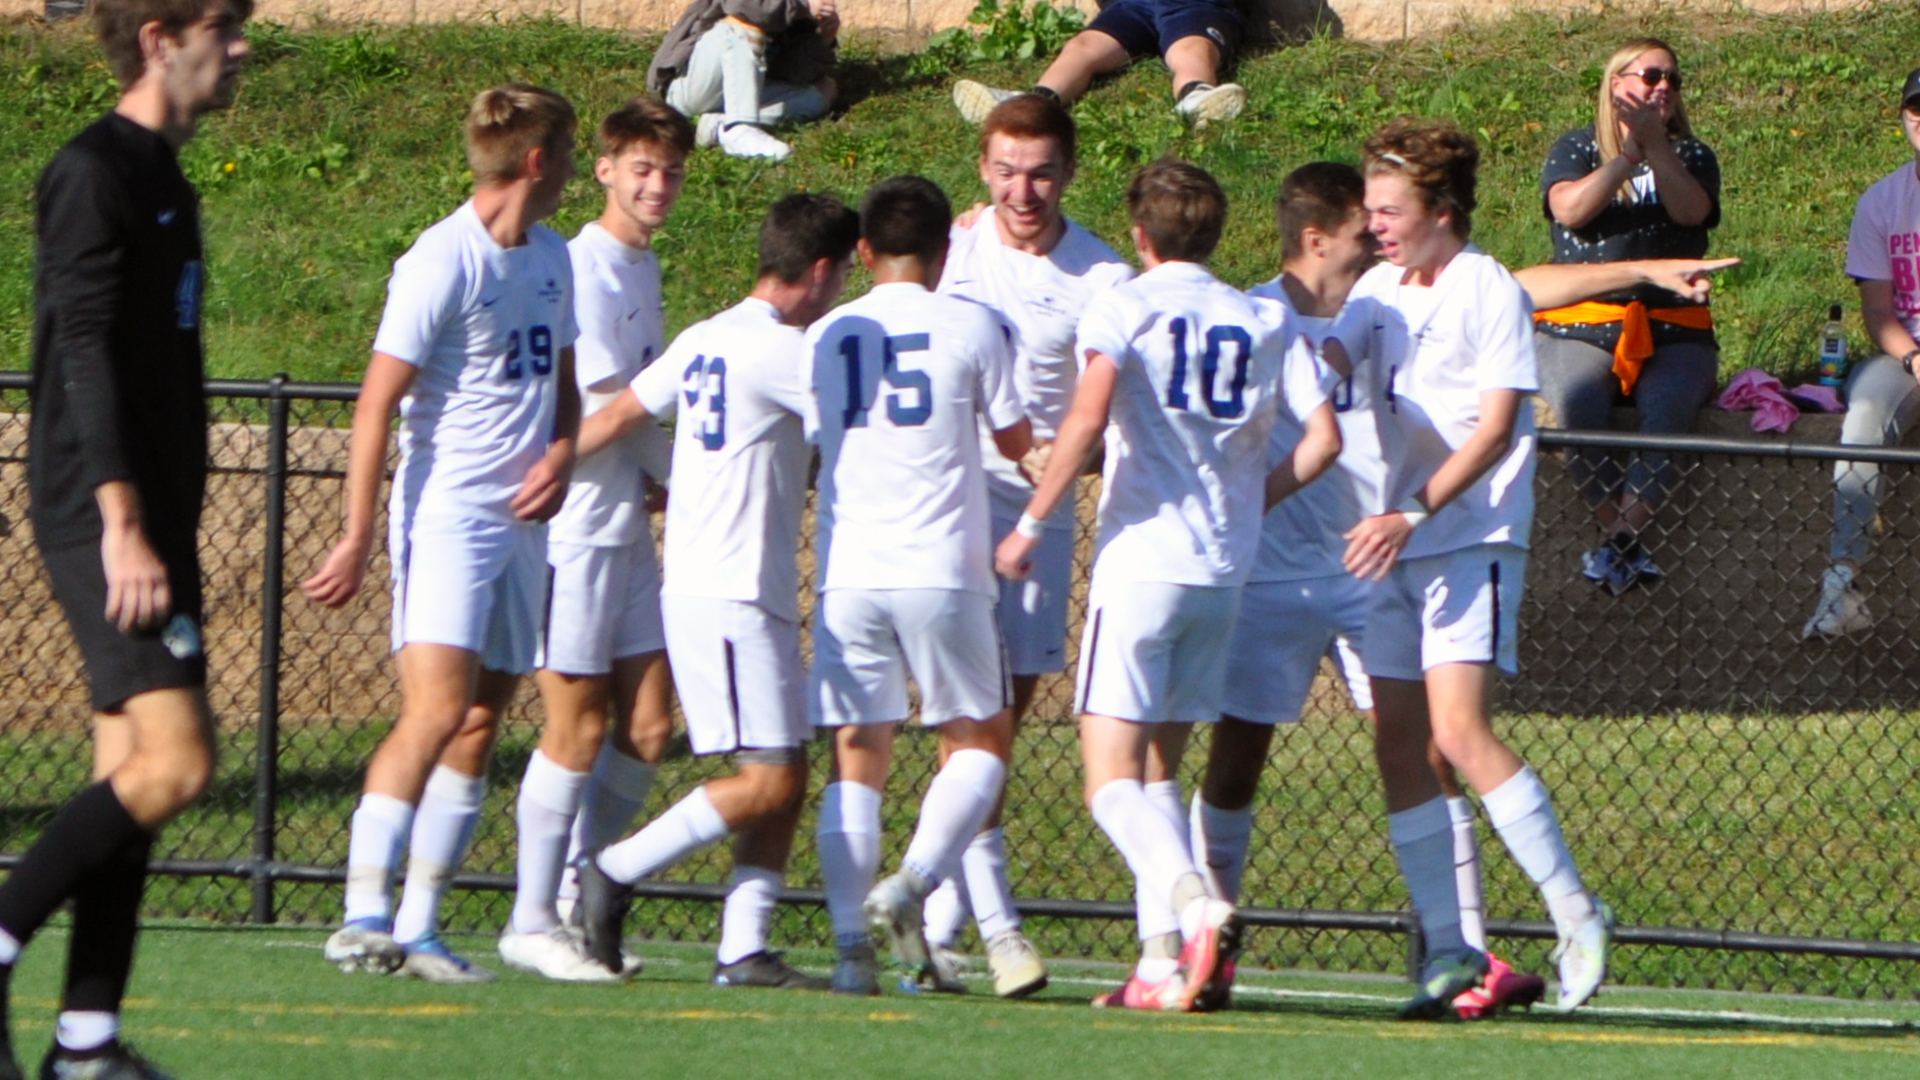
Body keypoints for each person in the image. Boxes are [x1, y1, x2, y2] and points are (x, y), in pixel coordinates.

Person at [1188, 161, 1546, 1019]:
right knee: (1237, 757)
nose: (1380, 237)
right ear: (1320, 238)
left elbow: (1521, 282)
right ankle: (1211, 941)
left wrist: (1639, 271)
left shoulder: (1390, 298)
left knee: (1427, 750)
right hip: (1275, 571)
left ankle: (1458, 951)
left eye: (1388, 221)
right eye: (1364, 228)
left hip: (1370, 561)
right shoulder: (1253, 317)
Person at [999, 159, 1328, 1012]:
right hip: (1222, 571)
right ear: (1216, 235)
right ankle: (1158, 966)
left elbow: (1085, 417)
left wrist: (1032, 521)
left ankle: (1196, 903)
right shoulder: (1262, 314)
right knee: (1155, 777)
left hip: (1143, 562)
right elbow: (1322, 440)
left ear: (1140, 238)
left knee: (1108, 779)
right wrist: (1253, 500)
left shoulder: (1127, 303)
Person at [1327, 117, 1612, 1020]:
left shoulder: (1484, 286)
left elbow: (1495, 429)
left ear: (1440, 210)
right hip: (1389, 545)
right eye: (1369, 209)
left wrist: (1414, 510)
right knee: (1403, 749)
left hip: (1464, 538)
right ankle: (1455, 957)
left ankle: (1578, 913)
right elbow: (1323, 361)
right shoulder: (1373, 287)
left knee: (1459, 734)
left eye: (1389, 209)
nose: (1375, 224)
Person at [12, 0, 247, 1074]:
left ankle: (85, 1043)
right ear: (162, 37)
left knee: (131, 769)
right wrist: (120, 520)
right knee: (183, 763)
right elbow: (84, 353)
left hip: (154, 514)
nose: (240, 48)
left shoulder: (167, 178)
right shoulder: (93, 170)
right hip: (103, 515)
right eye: (226, 26)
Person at [303, 84, 582, 986]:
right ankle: (360, 915)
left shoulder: (552, 257)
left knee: (479, 720)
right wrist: (354, 536)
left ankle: (418, 930)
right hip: (450, 515)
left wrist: (564, 454)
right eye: (569, 154)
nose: (573, 170)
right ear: (538, 162)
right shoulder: (440, 260)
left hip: (523, 521)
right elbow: (377, 403)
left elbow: (564, 384)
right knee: (430, 711)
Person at [574, 192, 861, 990]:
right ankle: (614, 869)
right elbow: (865, 421)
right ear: (821, 271)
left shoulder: (710, 334)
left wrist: (541, 469)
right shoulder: (780, 350)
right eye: (840, 279)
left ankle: (744, 946)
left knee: (786, 773)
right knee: (767, 776)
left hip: (724, 584)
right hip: (729, 589)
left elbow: (624, 410)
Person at [916, 93, 1134, 1000]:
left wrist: (1049, 485)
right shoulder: (951, 252)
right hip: (948, 504)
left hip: (1035, 515)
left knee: (1002, 712)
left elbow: (1097, 405)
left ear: (1069, 173)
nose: (1023, 189)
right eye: (1006, 169)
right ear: (982, 168)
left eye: (1040, 170)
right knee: (971, 720)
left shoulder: (1101, 276)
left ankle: (934, 919)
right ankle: (975, 926)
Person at [808, 175, 1034, 996]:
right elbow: (1016, 440)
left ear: (863, 253)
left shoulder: (827, 330)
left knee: (856, 757)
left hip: (849, 574)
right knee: (981, 741)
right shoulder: (969, 322)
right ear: (945, 255)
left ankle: (848, 957)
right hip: (942, 567)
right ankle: (913, 884)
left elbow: (815, 437)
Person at [497, 96, 689, 983]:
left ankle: (580, 898)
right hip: (574, 531)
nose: (656, 185)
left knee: (649, 725)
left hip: (626, 537)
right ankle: (531, 917)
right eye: (640, 169)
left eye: (671, 171)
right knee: (572, 729)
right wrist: (695, 479)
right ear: (605, 169)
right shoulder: (585, 267)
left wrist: (662, 475)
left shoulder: (638, 266)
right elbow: (611, 411)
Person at [1534, 37, 1722, 596]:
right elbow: (1569, 208)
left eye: (1671, 79)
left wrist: (1658, 148)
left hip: (1673, 326)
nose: (1661, 86)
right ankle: (1623, 543)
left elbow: (1692, 211)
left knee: (1667, 410)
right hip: (1581, 321)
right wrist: (1626, 158)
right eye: (1648, 76)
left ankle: (1619, 540)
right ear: (1616, 84)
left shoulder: (1692, 155)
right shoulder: (1575, 148)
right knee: (1579, 402)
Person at [1803, 68, 1920, 639]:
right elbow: (1879, 312)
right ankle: (1841, 587)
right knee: (1866, 409)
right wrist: (1916, 360)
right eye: (1916, 109)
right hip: (1911, 356)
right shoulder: (1883, 201)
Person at [950, 0, 1247, 127]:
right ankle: (1033, 100)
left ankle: (1196, 96)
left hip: (1195, 5)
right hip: (1132, 6)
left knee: (1190, 48)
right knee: (1082, 47)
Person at [647, 0, 839, 161]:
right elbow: (748, 8)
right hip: (690, 86)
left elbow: (793, 73)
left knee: (825, 89)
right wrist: (804, 4)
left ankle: (720, 126)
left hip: (740, 90)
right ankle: (741, 128)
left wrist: (823, 38)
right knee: (742, 25)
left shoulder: (798, 11)